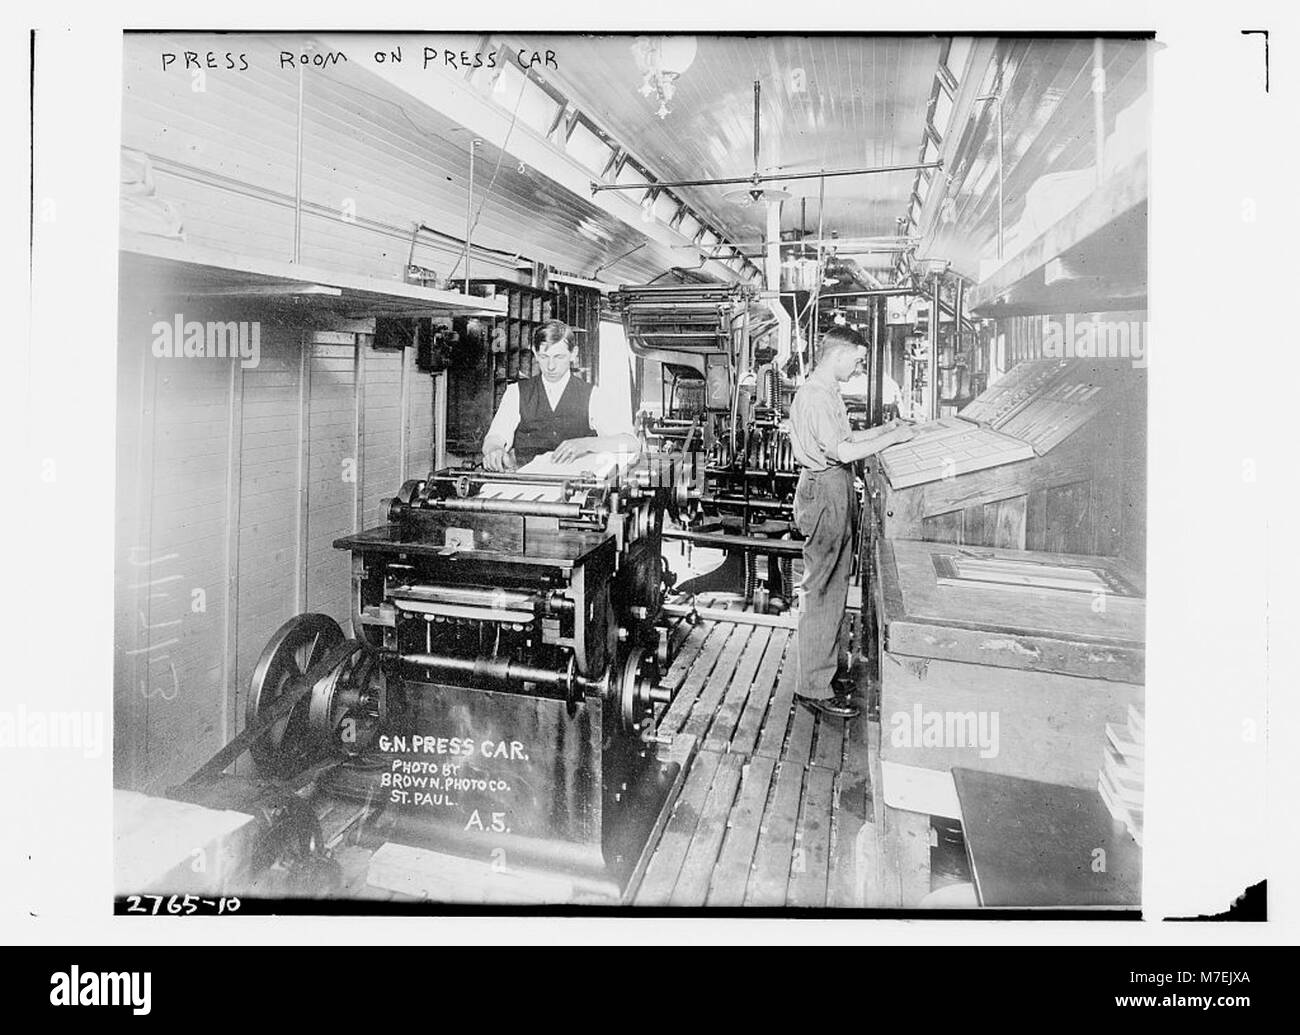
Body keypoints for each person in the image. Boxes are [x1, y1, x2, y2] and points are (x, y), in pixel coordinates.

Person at [788, 326, 916, 719]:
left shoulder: (826, 393)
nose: (859, 366)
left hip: (834, 488)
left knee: (833, 586)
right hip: (826, 491)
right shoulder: (814, 396)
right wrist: (892, 442)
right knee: (823, 590)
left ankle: (821, 675)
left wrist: (889, 430)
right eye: (858, 360)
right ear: (838, 356)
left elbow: (848, 439)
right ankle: (812, 687)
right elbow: (843, 450)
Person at [481, 320, 640, 470]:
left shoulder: (593, 396)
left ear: (573, 354)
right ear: (535, 354)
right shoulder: (516, 392)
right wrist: (494, 450)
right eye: (544, 357)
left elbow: (630, 442)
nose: (551, 366)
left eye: (559, 357)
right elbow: (495, 436)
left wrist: (586, 444)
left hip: (573, 488)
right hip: (525, 481)